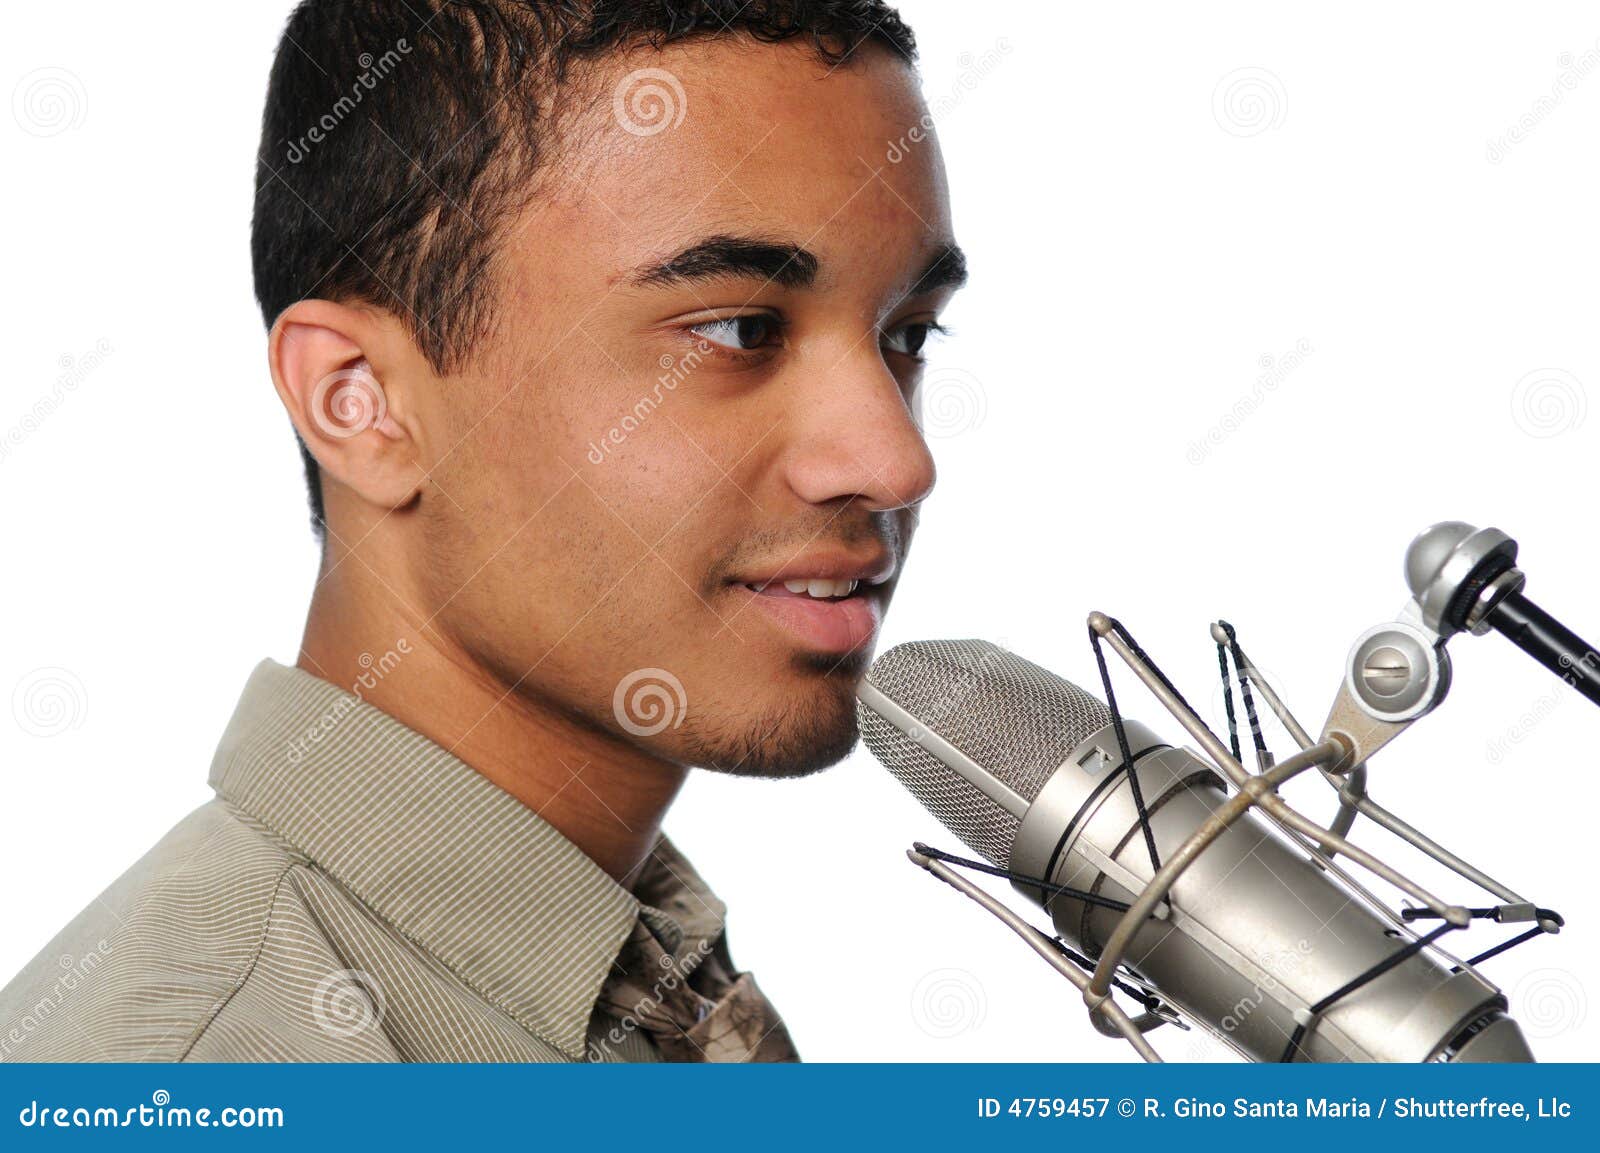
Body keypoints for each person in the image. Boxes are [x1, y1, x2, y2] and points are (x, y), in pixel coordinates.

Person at [0, 0, 963, 1063]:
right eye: (738, 331)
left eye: (906, 334)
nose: (894, 461)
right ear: (358, 400)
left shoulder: (639, 975)